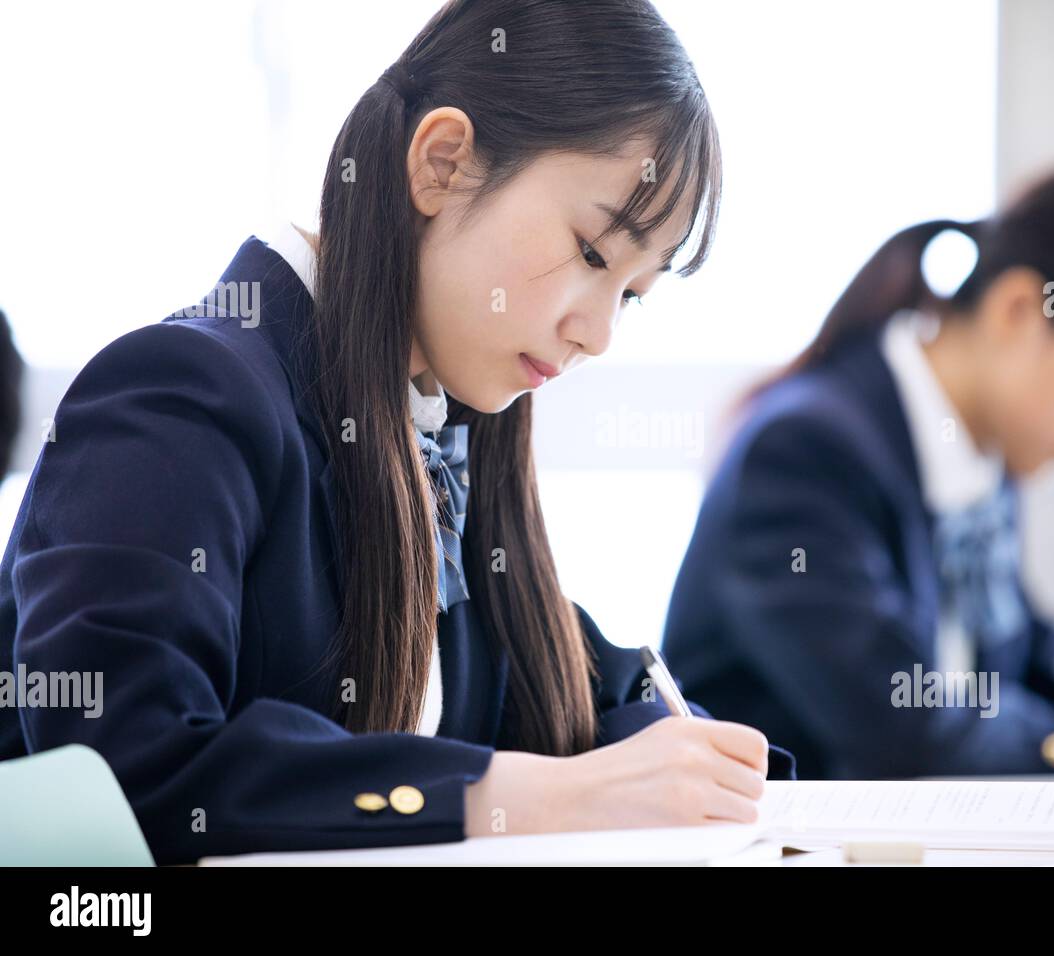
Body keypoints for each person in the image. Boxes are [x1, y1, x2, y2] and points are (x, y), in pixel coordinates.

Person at [0, 0, 793, 866]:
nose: (598, 333)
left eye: (632, 296)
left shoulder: (440, 418)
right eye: (596, 254)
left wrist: (684, 768)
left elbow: (593, 694)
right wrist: (521, 795)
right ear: (442, 162)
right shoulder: (180, 392)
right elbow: (129, 777)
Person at [661, 164, 1054, 779]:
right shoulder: (805, 453)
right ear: (1019, 310)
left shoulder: (978, 466)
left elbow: (1021, 684)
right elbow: (901, 724)